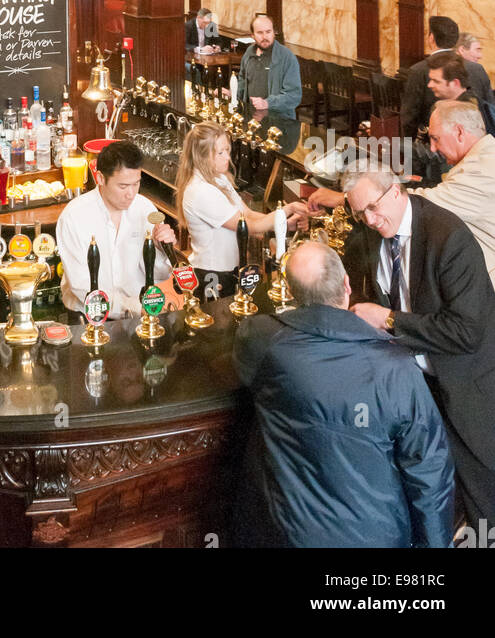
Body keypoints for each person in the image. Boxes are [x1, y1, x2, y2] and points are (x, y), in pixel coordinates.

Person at [233, 239, 454, 548]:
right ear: (347, 285)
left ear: (294, 294)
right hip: (376, 535)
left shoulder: (261, 339)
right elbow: (429, 471)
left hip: (289, 531)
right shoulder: (396, 368)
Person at [342, 164, 495, 530]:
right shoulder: (369, 232)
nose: (370, 219)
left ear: (396, 192)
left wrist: (390, 319)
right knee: (428, 490)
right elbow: (361, 289)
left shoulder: (447, 236)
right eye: (359, 212)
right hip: (415, 385)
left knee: (481, 497)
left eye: (374, 208)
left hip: (466, 385)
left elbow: (466, 332)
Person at [174, 123, 308, 297]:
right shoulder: (200, 191)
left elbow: (248, 214)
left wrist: (284, 224)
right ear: (202, 156)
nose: (227, 158)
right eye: (221, 153)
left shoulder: (218, 178)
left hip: (230, 270)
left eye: (227, 150)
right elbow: (247, 226)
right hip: (212, 276)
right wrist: (286, 210)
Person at [57, 140, 175, 318]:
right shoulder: (74, 216)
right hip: (89, 313)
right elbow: (81, 285)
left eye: (136, 184)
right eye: (123, 186)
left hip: (139, 313)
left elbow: (159, 275)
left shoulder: (145, 208)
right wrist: (130, 307)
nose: (131, 194)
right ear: (101, 178)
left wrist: (161, 248)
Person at [426, 102, 495, 286]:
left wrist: (351, 197)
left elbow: (425, 206)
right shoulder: (487, 153)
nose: (432, 148)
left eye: (435, 138)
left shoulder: (480, 170)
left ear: (459, 132)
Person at [400, 15, 495, 136]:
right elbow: (490, 108)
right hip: (474, 142)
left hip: (432, 146)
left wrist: (408, 151)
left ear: (431, 38)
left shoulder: (417, 70)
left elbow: (409, 118)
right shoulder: (477, 68)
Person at [236, 13, 301, 121]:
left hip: (279, 122)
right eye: (260, 33)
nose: (265, 37)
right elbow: (243, 81)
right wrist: (233, 92)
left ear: (274, 33)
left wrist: (267, 103)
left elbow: (294, 96)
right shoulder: (249, 53)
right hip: (251, 119)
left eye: (268, 32)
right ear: (252, 36)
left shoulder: (286, 57)